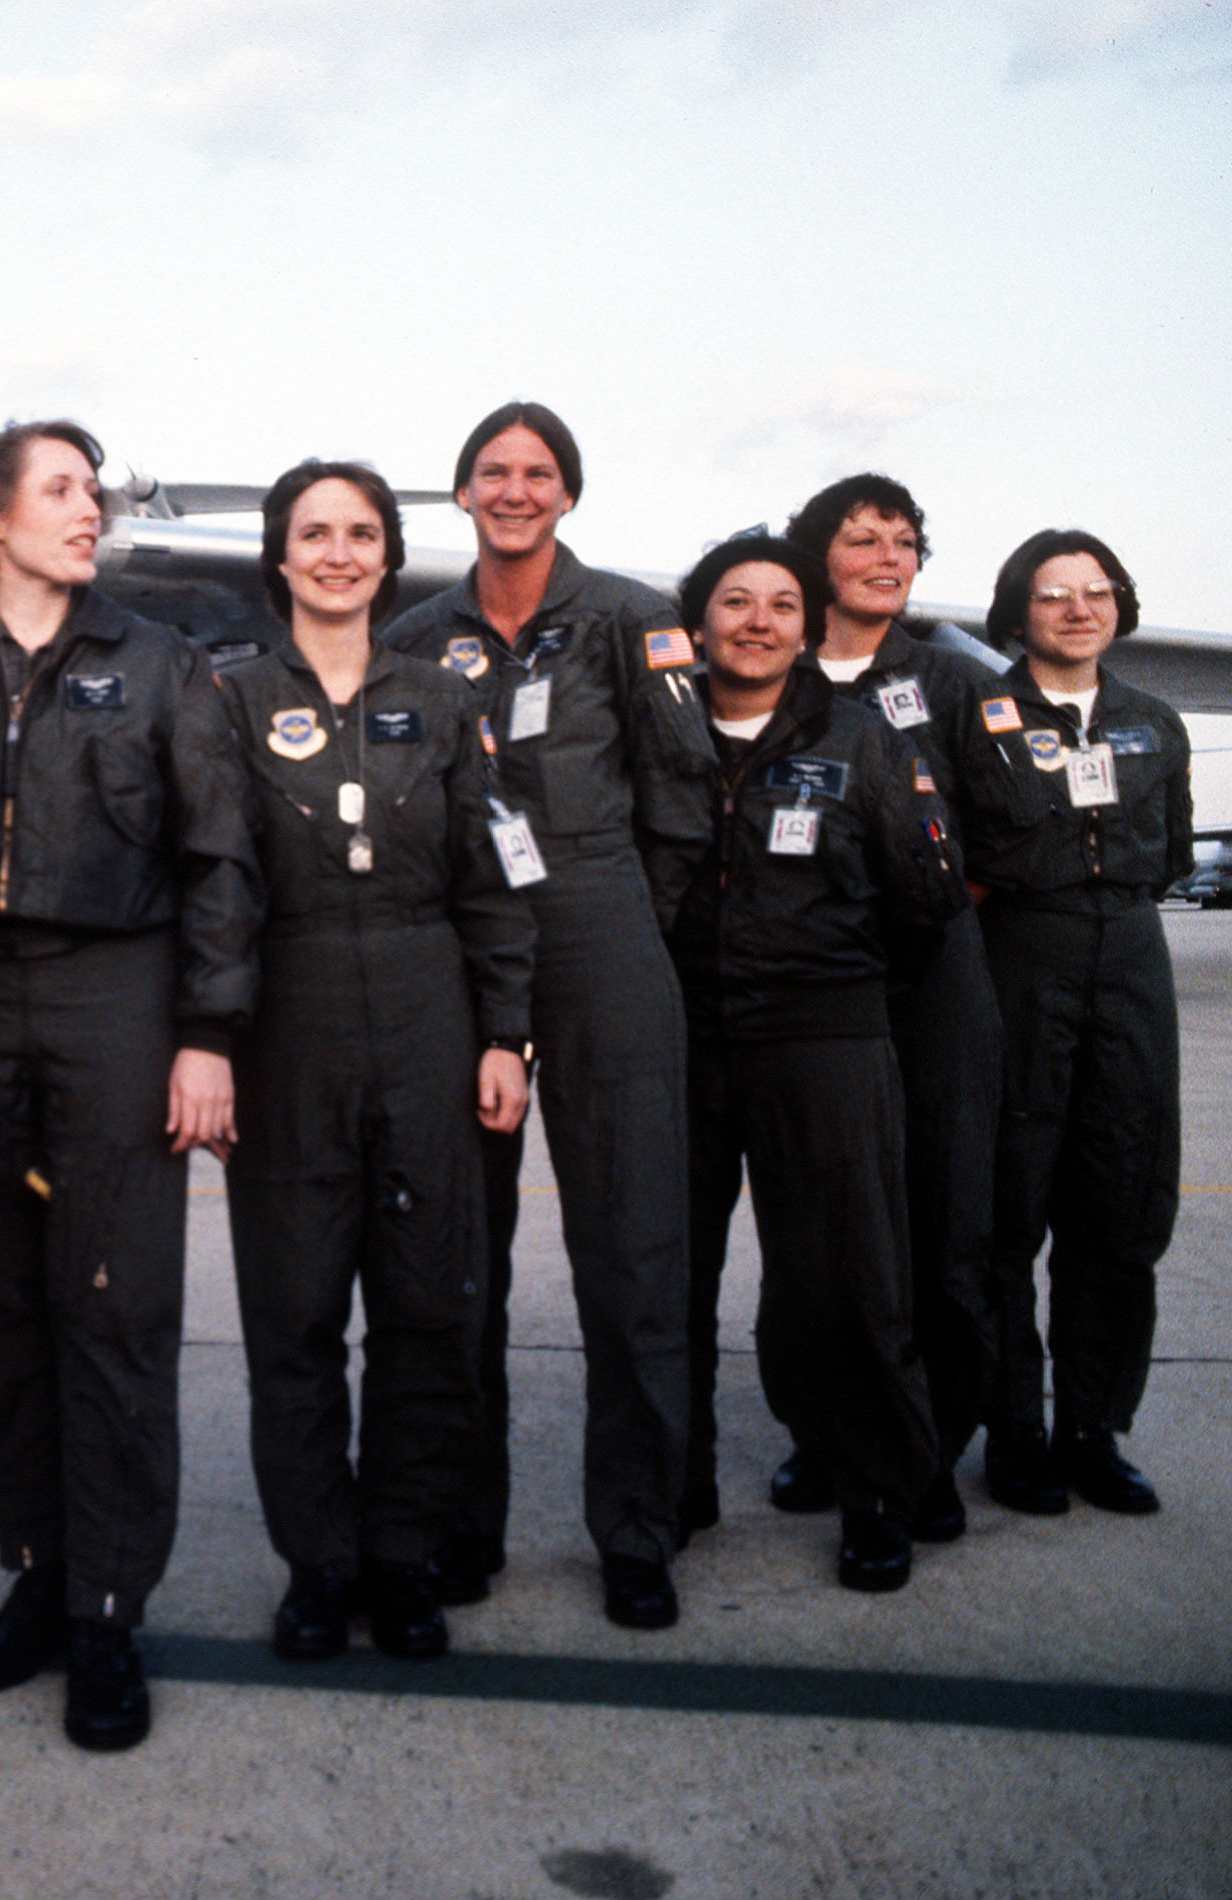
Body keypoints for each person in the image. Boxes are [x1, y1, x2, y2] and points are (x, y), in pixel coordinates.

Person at [0, 419, 256, 1750]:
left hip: (118, 1003)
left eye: (92, 492)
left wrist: (205, 1034)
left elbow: (218, 860)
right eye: (60, 490)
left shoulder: (161, 669)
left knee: (115, 1312)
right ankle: (33, 1577)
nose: (88, 511)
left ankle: (106, 1613)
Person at [381, 402, 714, 1629]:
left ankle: (636, 1524)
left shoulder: (630, 618)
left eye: (536, 472)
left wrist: (625, 917)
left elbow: (682, 798)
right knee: (458, 1257)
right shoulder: (415, 634)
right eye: (490, 472)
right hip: (461, 940)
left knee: (631, 1250)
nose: (513, 490)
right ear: (460, 493)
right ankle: (462, 1521)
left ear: (567, 493)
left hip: (597, 929)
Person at [216, 461, 533, 1661]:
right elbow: (212, 886)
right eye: (314, 533)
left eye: (360, 533)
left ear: (389, 557)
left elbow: (491, 875)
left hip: (424, 1018)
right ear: (280, 556)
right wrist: (211, 1039)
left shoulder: (443, 703)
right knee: (291, 1319)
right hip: (284, 1027)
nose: (338, 554)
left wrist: (504, 1032)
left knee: (425, 1313)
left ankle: (399, 1557)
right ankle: (317, 1565)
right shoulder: (229, 702)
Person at [637, 534, 966, 1591]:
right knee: (668, 1275)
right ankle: (674, 1484)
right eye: (734, 601)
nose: (758, 620)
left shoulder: (862, 739)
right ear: (696, 624)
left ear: (805, 625)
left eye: (781, 603)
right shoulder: (658, 735)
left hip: (821, 1039)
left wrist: (838, 987)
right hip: (682, 1037)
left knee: (848, 1279)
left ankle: (877, 1491)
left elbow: (924, 899)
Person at [768, 475, 1003, 1540]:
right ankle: (819, 1433)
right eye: (860, 539)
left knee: (944, 1220)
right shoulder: (771, 669)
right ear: (817, 555)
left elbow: (1003, 830)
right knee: (815, 1232)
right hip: (813, 977)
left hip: (933, 972)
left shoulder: (950, 683)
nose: (884, 556)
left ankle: (926, 1449)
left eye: (902, 541)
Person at [956, 530, 1190, 1517]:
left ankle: (1090, 1430)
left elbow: (1171, 848)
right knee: (1004, 1209)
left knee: (1119, 1205)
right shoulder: (976, 716)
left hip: (1130, 958)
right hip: (1018, 954)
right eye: (1053, 594)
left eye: (1094, 592)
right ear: (1018, 611)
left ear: (1117, 607)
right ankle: (1012, 1433)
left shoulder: (1153, 721)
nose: (1076, 609)